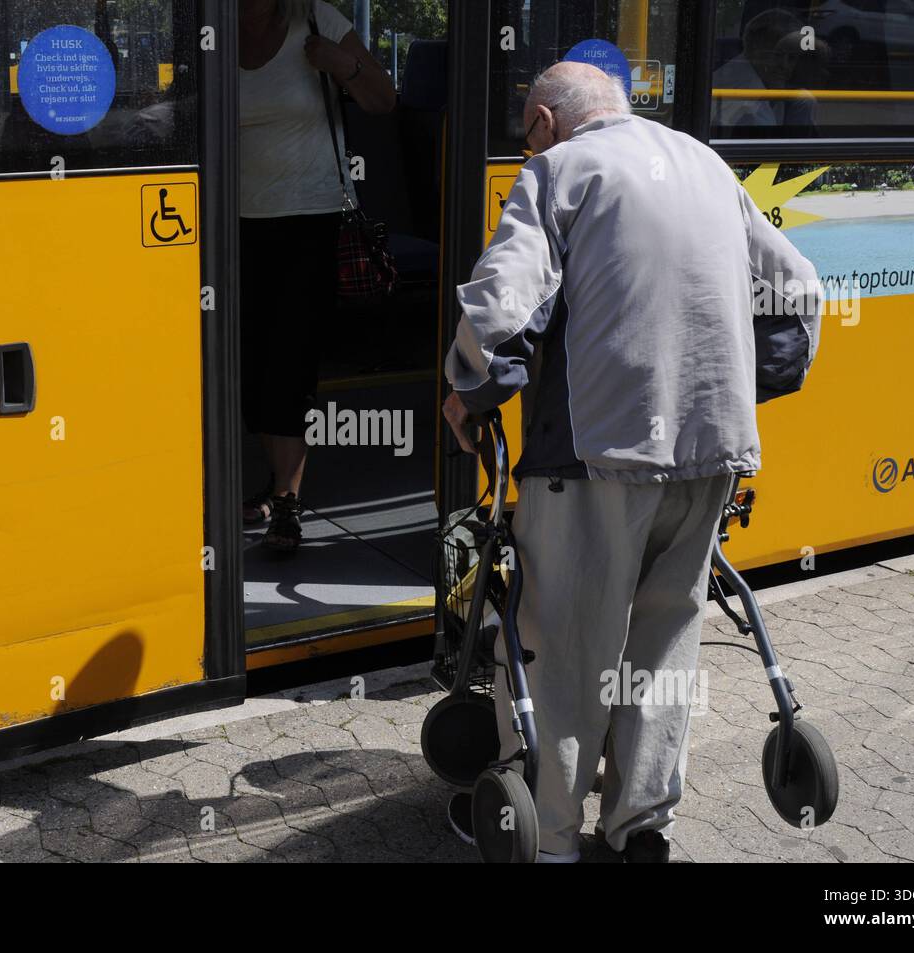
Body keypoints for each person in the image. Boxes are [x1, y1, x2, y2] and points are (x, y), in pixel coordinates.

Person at [441, 61, 821, 862]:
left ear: (545, 121)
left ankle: (548, 837)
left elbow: (501, 306)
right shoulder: (705, 164)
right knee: (665, 644)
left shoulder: (558, 170)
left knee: (567, 651)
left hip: (594, 459)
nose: (524, 146)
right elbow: (798, 290)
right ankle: (642, 828)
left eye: (524, 133)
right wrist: (747, 385)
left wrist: (467, 393)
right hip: (713, 449)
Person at [238, 0, 395, 553]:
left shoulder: (317, 20)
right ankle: (273, 481)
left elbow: (384, 100)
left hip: (309, 222)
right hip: (231, 228)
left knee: (289, 362)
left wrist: (339, 66)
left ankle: (286, 505)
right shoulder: (212, 28)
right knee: (250, 367)